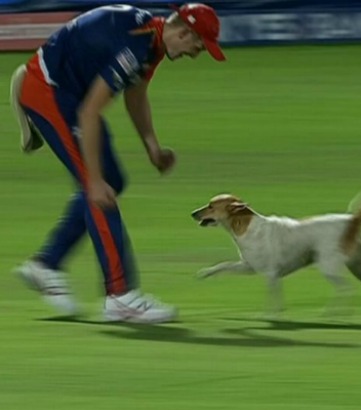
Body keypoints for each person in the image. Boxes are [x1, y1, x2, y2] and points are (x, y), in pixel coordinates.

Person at [9, 3, 225, 323]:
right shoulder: (137, 45)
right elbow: (89, 114)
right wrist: (94, 181)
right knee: (100, 189)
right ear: (184, 32)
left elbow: (135, 93)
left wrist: (152, 146)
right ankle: (120, 297)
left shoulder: (153, 40)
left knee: (111, 181)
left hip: (66, 93)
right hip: (49, 93)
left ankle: (46, 264)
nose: (197, 53)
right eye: (198, 45)